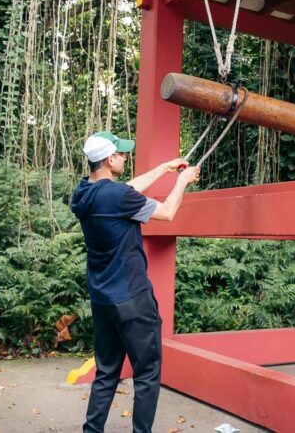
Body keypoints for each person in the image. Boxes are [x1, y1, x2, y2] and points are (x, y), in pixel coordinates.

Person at [70, 131, 200, 433]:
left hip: (103, 299)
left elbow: (121, 191)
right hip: (133, 299)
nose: (126, 157)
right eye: (121, 153)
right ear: (109, 159)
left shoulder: (83, 194)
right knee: (147, 373)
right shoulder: (117, 196)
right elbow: (167, 212)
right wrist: (182, 180)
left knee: (106, 372)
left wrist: (163, 169)